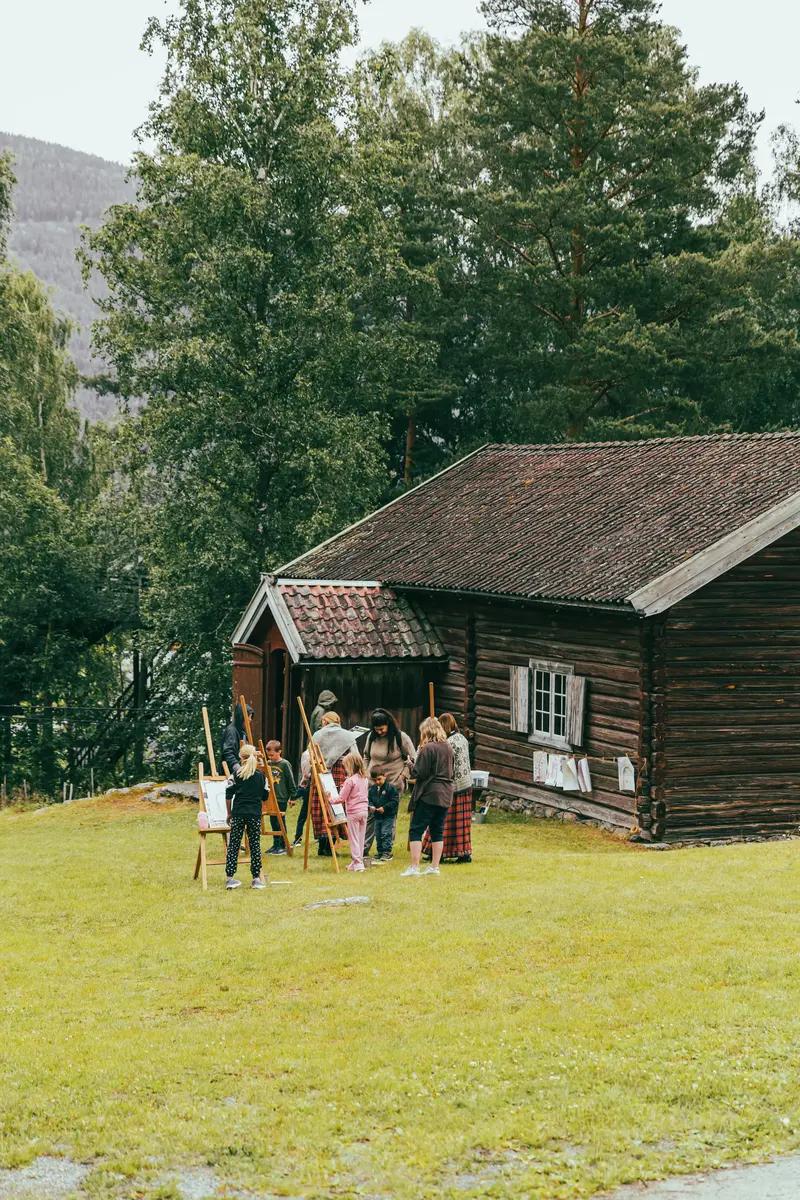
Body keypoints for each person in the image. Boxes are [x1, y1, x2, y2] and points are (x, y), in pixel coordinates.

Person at [402, 717, 453, 878]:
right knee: (437, 830)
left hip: (430, 793)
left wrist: (411, 764)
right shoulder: (448, 747)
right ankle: (434, 867)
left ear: (427, 731)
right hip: (446, 793)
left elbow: (419, 772)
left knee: (416, 829)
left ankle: (414, 867)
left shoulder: (428, 748)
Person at [421, 713, 473, 864]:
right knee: (461, 823)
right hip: (465, 785)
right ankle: (463, 853)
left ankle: (440, 852)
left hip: (452, 787)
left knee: (442, 820)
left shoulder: (449, 743)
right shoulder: (461, 738)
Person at [363, 709, 416, 859]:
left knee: (388, 818)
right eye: (376, 729)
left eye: (382, 729)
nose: (379, 732)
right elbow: (366, 756)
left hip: (393, 784)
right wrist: (366, 773)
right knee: (370, 816)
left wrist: (403, 777)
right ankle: (363, 848)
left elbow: (412, 759)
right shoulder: (371, 737)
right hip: (372, 785)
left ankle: (386, 850)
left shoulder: (400, 737)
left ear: (388, 724)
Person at [311, 712, 358, 855]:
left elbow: (309, 755)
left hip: (320, 772)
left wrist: (306, 777)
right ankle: (331, 843)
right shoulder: (347, 735)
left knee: (322, 804)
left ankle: (323, 844)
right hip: (340, 771)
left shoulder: (317, 735)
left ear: (325, 721)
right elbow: (355, 756)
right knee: (336, 804)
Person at [224, 743, 267, 890]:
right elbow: (265, 795)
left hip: (238, 813)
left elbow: (228, 794)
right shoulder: (261, 776)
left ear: (240, 757)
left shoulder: (235, 775)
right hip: (254, 814)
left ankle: (230, 878)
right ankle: (256, 878)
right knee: (255, 845)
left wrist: (229, 813)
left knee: (234, 845)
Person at [264, 739, 296, 855]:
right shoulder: (268, 764)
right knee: (273, 821)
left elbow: (291, 781)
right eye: (269, 755)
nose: (270, 757)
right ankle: (276, 844)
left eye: (272, 755)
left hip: (281, 797)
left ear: (279, 752)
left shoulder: (285, 764)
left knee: (280, 821)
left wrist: (293, 797)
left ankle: (283, 845)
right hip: (271, 798)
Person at [338, 751, 369, 871]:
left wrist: (328, 798)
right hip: (364, 811)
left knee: (354, 838)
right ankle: (356, 861)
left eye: (345, 766)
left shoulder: (350, 780)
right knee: (361, 838)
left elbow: (341, 798)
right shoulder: (364, 778)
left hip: (353, 813)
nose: (344, 769)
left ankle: (358, 863)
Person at [367, 767, 400, 864]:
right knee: (378, 834)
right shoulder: (372, 789)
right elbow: (369, 800)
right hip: (377, 816)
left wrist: (384, 808)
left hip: (388, 816)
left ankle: (387, 852)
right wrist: (371, 806)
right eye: (375, 780)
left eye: (379, 779)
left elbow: (395, 801)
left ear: (385, 777)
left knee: (386, 833)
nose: (377, 782)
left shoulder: (391, 788)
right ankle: (380, 851)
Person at [220, 702, 251, 775]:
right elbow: (228, 751)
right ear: (242, 717)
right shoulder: (232, 731)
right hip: (230, 773)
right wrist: (237, 768)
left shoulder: (242, 732)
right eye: (249, 717)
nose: (250, 720)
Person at [292, 748, 311, 847]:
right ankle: (298, 838)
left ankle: (298, 839)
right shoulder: (308, 754)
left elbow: (306, 774)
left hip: (310, 787)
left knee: (302, 817)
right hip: (308, 786)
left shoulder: (307, 754)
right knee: (302, 817)